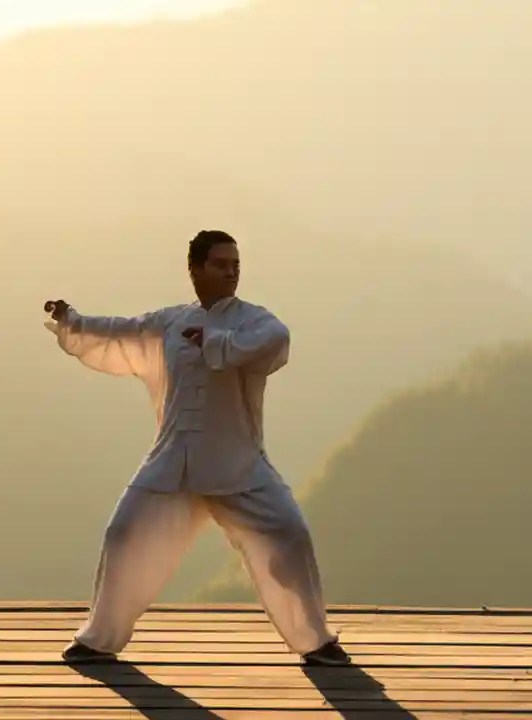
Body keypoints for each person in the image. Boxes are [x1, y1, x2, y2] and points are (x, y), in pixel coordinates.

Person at [42, 229, 351, 666]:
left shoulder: (252, 320)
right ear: (196, 269)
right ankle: (98, 639)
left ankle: (317, 642)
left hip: (238, 464)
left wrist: (216, 343)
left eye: (236, 266)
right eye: (221, 265)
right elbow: (122, 332)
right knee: (123, 535)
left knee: (289, 535)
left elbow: (276, 341)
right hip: (173, 461)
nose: (231, 273)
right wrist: (72, 320)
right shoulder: (170, 321)